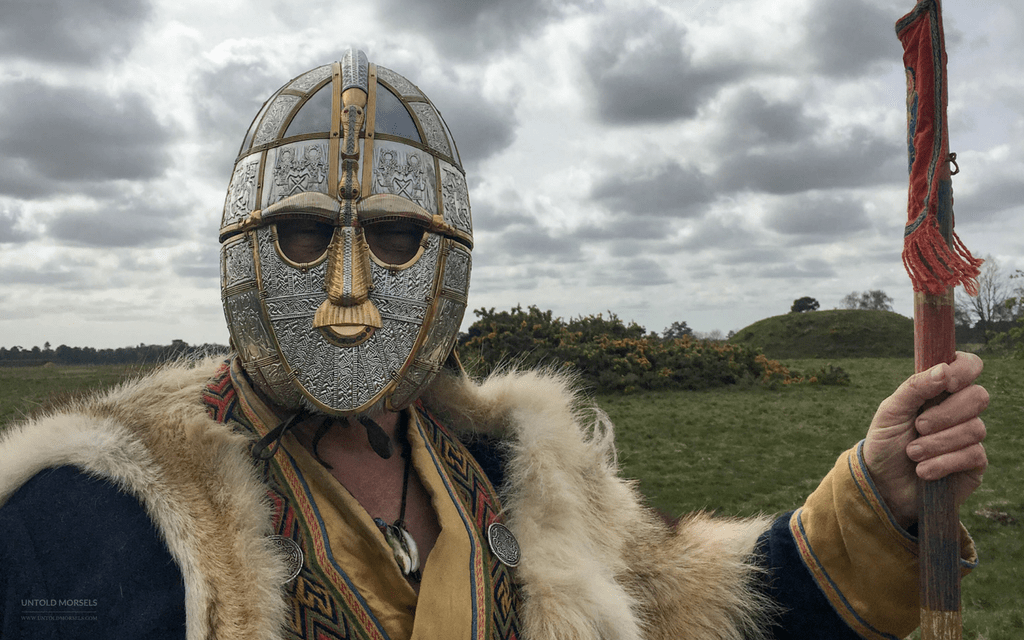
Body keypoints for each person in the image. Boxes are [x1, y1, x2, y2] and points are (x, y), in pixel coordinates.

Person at [0, 49, 988, 640]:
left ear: (449, 260)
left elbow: (701, 610)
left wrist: (876, 494)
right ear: (244, 249)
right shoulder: (83, 519)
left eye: (396, 238)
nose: (347, 291)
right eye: (303, 233)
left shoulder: (516, 468)